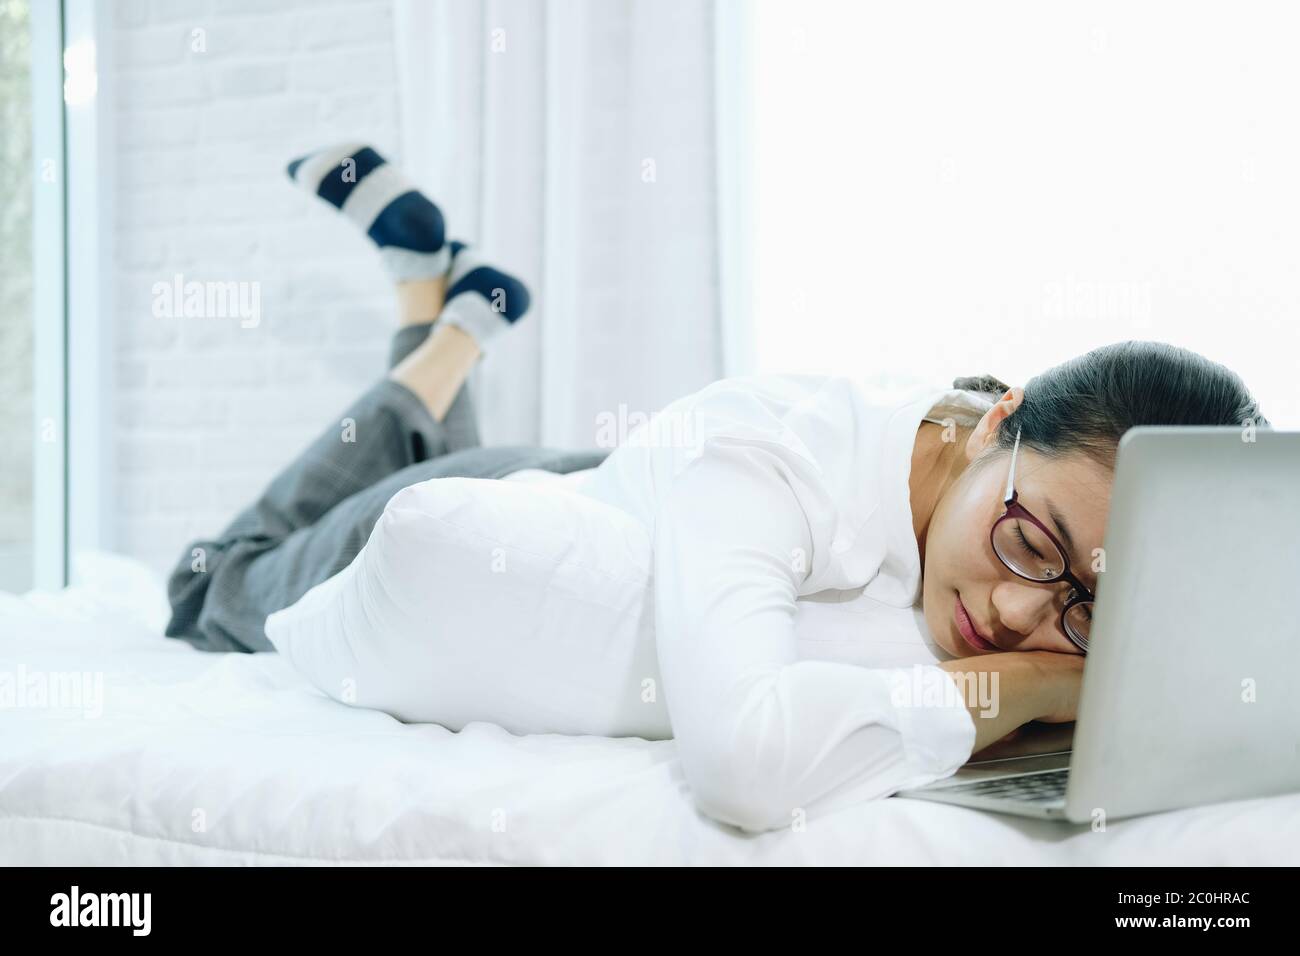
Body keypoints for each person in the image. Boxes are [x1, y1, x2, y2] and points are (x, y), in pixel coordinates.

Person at [165, 143, 1270, 832]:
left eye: (1083, 610)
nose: (1027, 615)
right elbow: (745, 766)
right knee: (218, 581)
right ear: (995, 420)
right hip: (516, 494)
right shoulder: (780, 457)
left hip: (593, 490)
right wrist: (1038, 689)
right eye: (1033, 546)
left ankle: (436, 299)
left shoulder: (1000, 484)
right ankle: (443, 336)